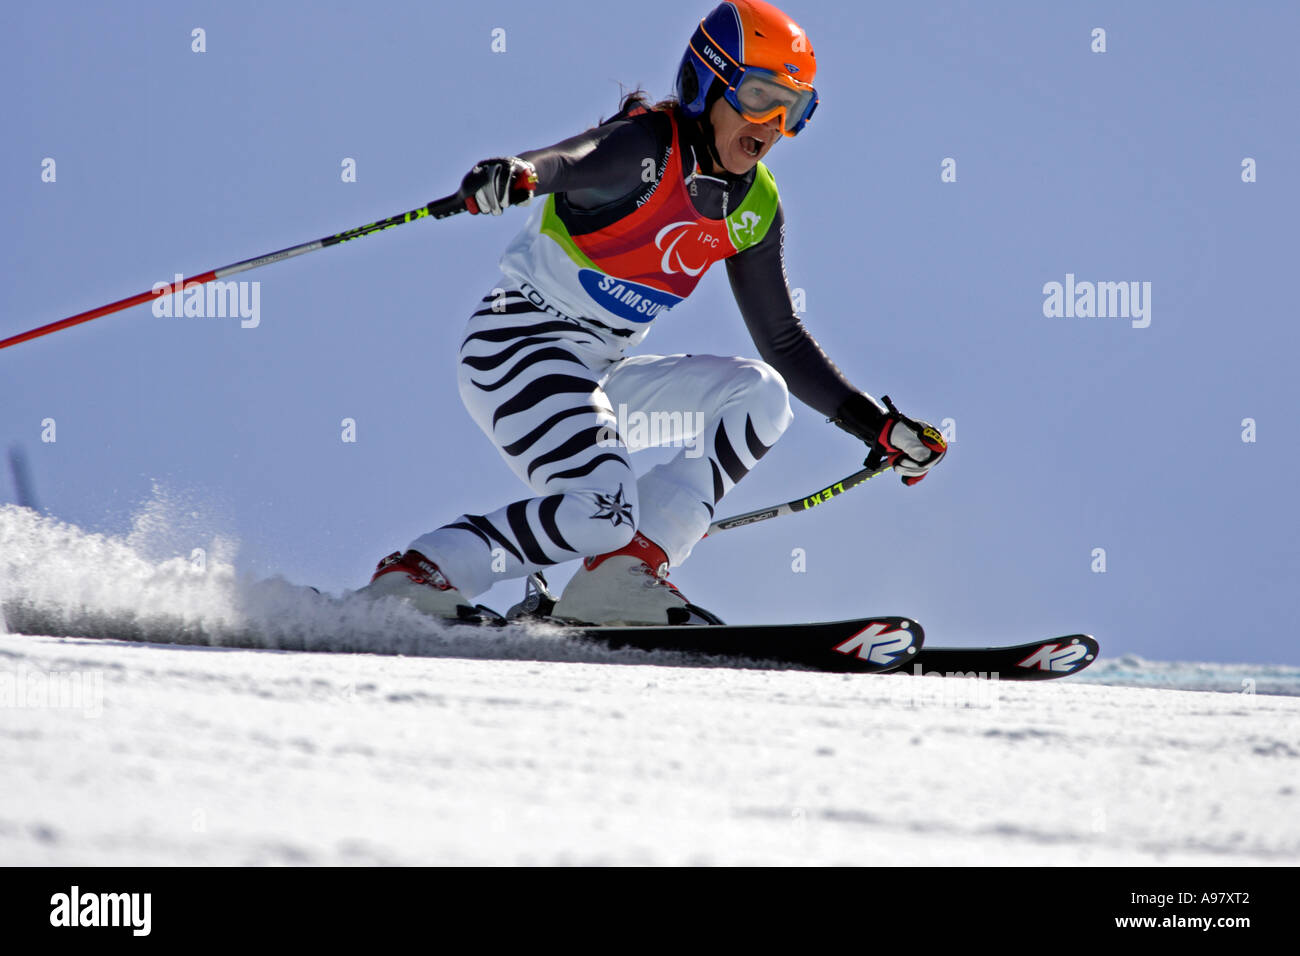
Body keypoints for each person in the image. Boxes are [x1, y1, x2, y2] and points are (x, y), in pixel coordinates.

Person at [360, 0, 946, 625]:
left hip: (598, 377)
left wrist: (876, 427)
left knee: (760, 395)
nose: (773, 122)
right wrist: (520, 172)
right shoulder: (645, 150)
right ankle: (423, 573)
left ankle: (620, 576)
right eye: (759, 95)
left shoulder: (754, 210)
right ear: (706, 82)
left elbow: (782, 338)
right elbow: (573, 159)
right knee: (601, 505)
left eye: (795, 108)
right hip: (518, 347)